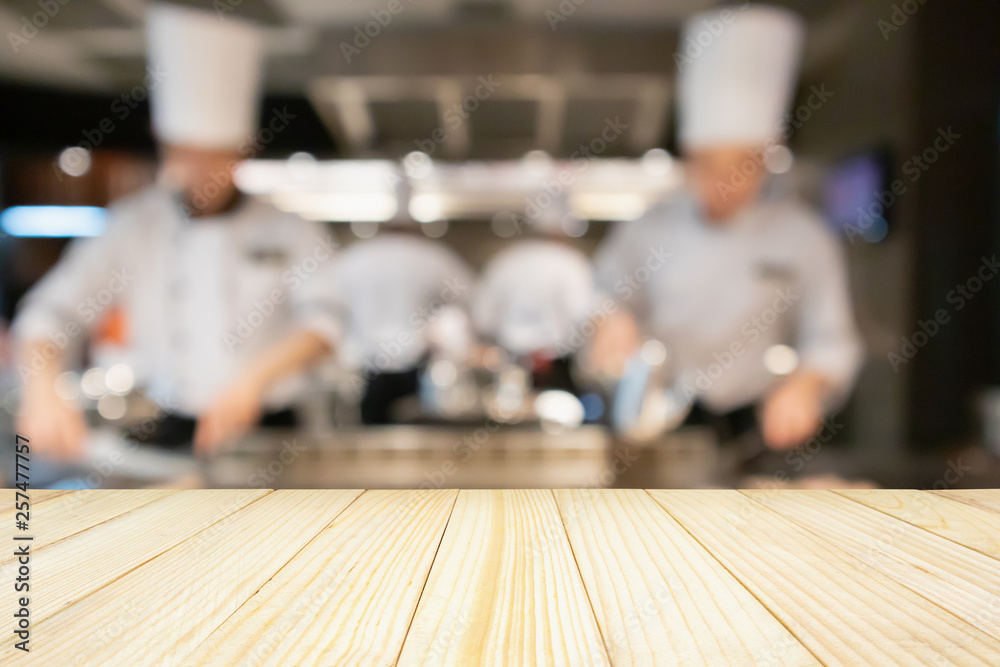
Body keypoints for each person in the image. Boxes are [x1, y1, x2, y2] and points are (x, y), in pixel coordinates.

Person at [12, 4, 341, 458]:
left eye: (214, 154)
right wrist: (41, 389)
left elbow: (326, 323)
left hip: (272, 431)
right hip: (173, 429)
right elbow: (50, 313)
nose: (198, 170)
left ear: (243, 150)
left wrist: (253, 380)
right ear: (164, 144)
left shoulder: (291, 229)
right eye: (185, 153)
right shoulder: (134, 226)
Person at [592, 5, 863, 450]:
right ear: (688, 159)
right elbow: (605, 293)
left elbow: (831, 340)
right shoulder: (650, 228)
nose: (725, 183)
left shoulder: (804, 238)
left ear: (768, 157)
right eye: (708, 165)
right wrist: (611, 318)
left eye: (743, 166)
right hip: (661, 419)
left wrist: (806, 385)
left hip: (755, 427)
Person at [330, 224, 474, 424]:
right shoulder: (432, 256)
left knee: (368, 430)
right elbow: (469, 300)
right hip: (412, 367)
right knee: (416, 429)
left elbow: (327, 308)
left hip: (364, 369)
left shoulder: (351, 257)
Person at [472, 206, 596, 394]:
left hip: (508, 364)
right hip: (558, 366)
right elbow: (585, 314)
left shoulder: (504, 261)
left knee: (509, 407)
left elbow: (481, 317)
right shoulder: (573, 263)